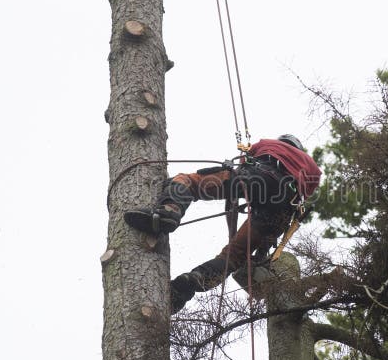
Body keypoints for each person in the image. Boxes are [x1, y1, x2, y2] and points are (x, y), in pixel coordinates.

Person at [124, 134, 321, 313]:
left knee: (187, 181)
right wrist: (260, 254)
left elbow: (243, 167)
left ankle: (169, 211)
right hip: (283, 209)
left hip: (256, 178)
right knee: (233, 258)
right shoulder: (309, 165)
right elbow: (308, 191)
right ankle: (190, 283)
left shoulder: (267, 144)